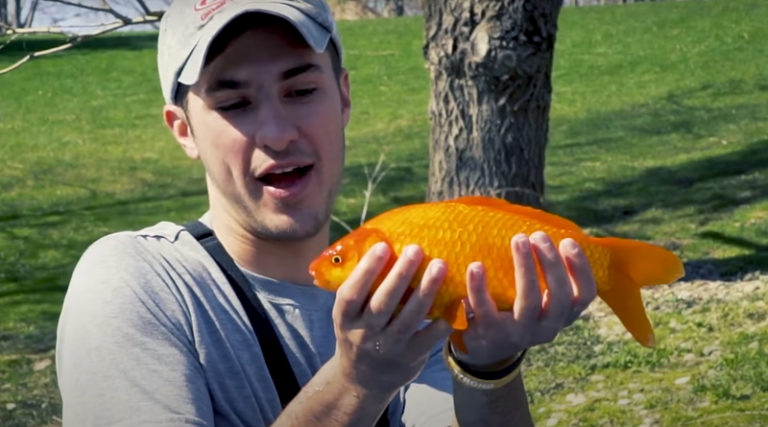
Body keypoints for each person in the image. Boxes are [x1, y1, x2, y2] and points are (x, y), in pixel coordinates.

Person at [55, 0, 597, 425]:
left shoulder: (401, 283)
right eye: (235, 103)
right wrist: (356, 382)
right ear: (183, 129)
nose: (278, 132)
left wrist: (488, 366)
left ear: (342, 98)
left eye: (301, 89)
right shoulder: (135, 284)